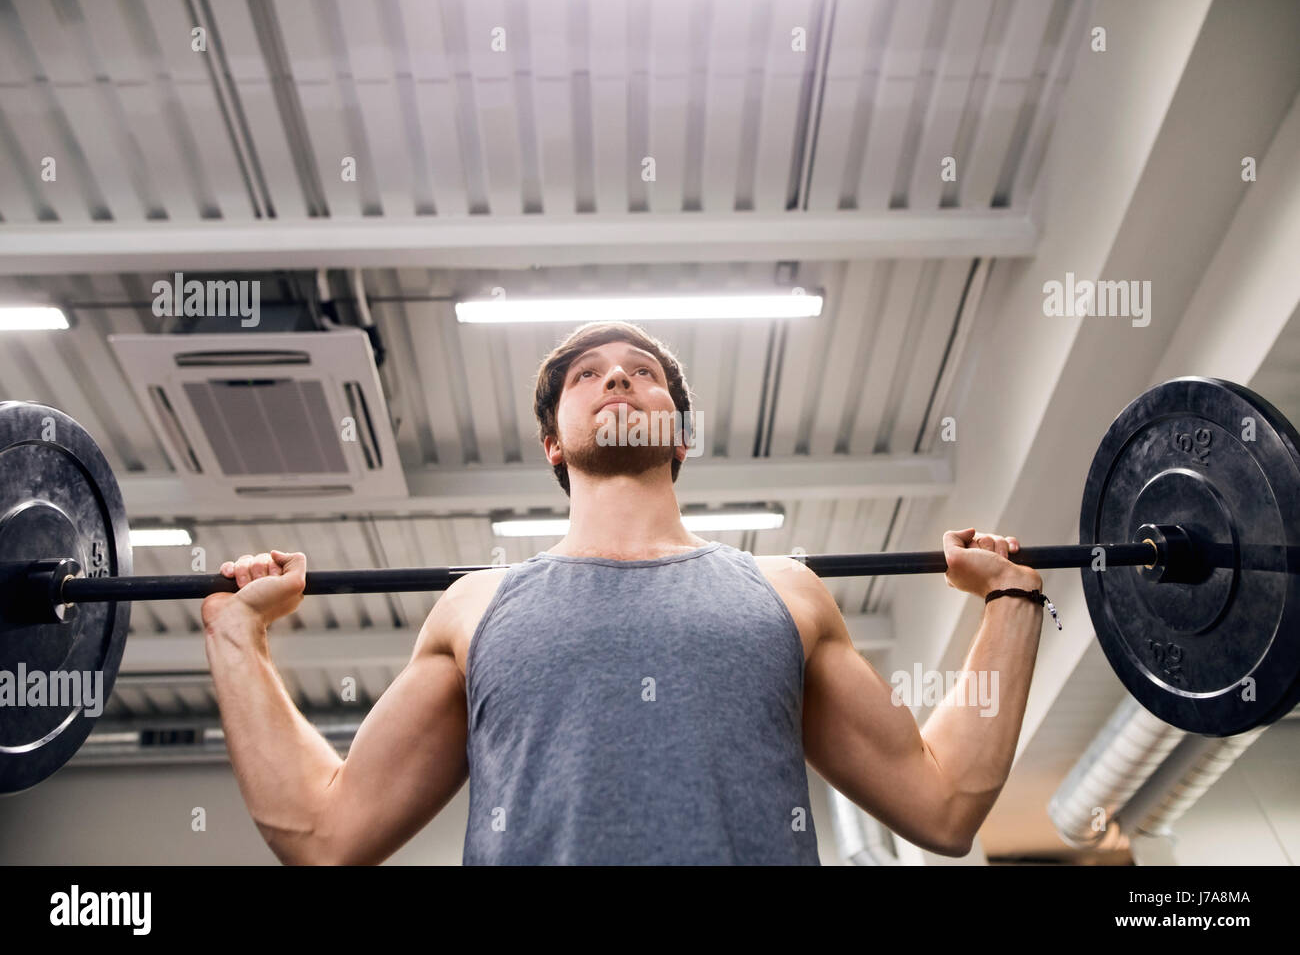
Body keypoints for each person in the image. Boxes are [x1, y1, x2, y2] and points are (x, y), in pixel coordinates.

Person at [201, 320, 1044, 864]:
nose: (617, 380)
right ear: (552, 448)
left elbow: (943, 805)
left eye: (643, 373)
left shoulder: (784, 594)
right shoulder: (476, 607)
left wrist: (1010, 603)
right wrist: (238, 635)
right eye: (587, 376)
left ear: (677, 435)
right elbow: (325, 831)